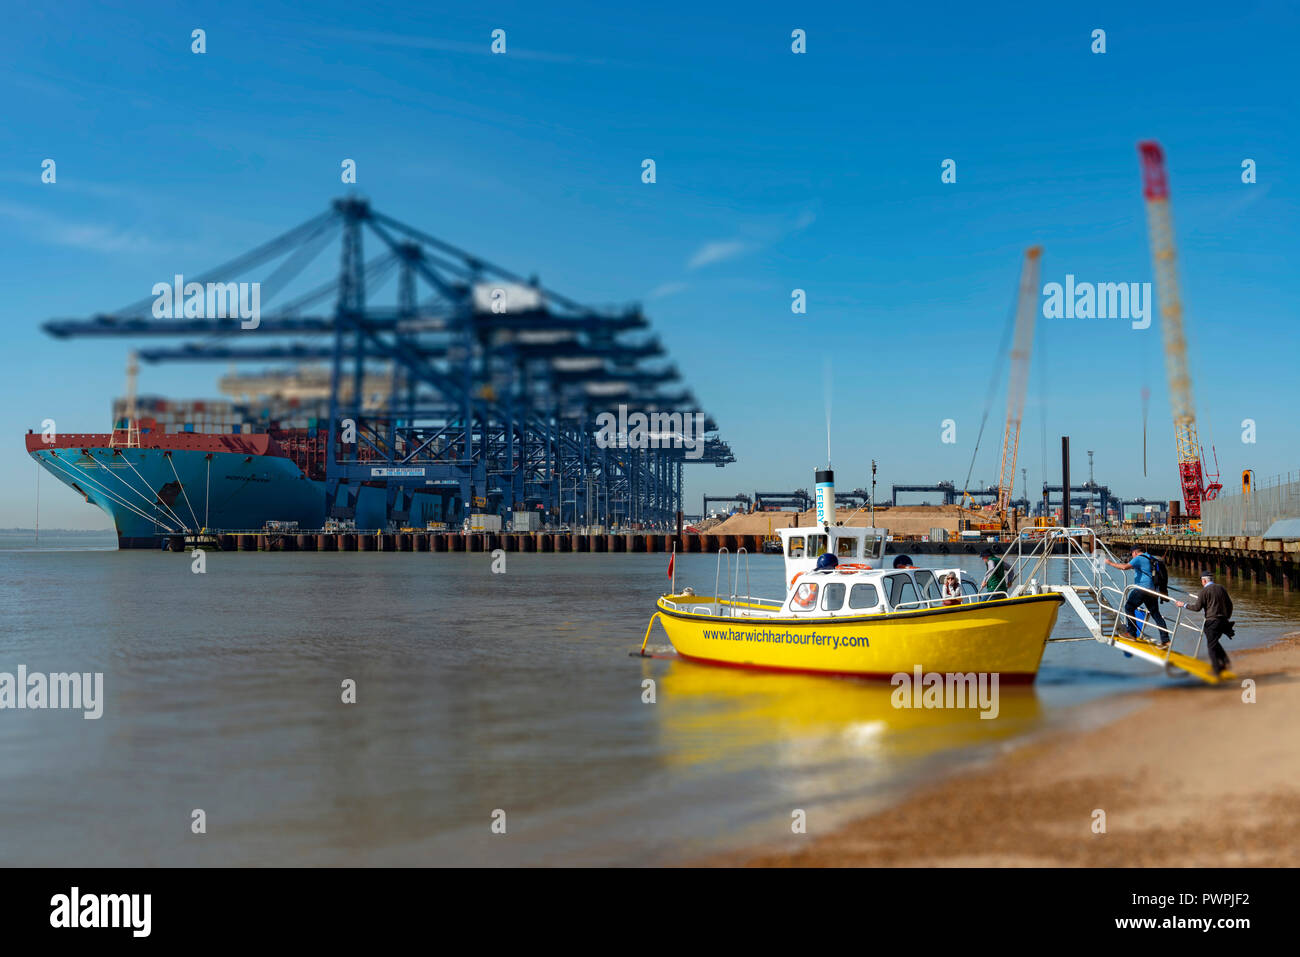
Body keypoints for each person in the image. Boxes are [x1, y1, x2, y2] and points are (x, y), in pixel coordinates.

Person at [1105, 545, 1169, 644]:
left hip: (1142, 588)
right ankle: (1166, 640)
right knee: (1156, 614)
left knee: (1129, 607)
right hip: (1152, 590)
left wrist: (1110, 563)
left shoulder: (1139, 558)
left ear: (1134, 552)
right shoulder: (1150, 557)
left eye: (1132, 554)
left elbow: (1124, 567)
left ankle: (1131, 633)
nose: (1132, 556)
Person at [1176, 570, 1235, 676]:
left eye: (1201, 581)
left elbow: (1197, 608)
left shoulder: (1204, 591)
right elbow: (1230, 604)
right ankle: (1225, 661)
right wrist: (1227, 617)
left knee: (1211, 646)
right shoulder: (1221, 588)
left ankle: (1217, 670)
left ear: (1203, 581)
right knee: (1214, 642)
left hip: (1212, 622)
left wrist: (1183, 604)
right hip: (1223, 620)